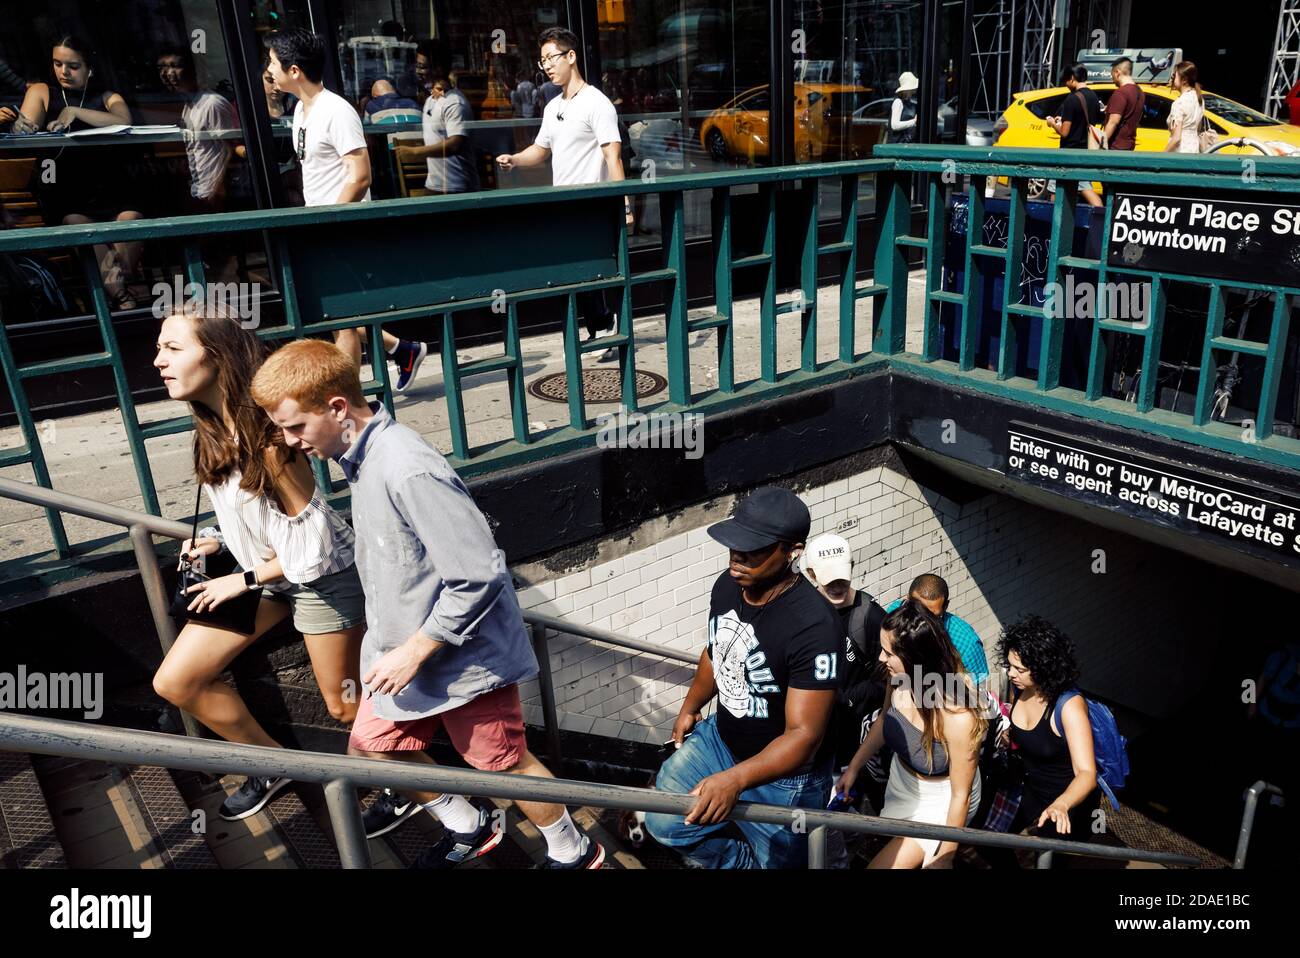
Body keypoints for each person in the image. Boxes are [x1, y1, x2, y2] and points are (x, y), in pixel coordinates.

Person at [250, 339, 606, 869]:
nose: (289, 441)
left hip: (464, 659)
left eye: (296, 426)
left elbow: (480, 573)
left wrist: (416, 649)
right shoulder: (360, 458)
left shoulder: (406, 467)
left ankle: (575, 851)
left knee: (502, 764)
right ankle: (470, 822)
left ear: (338, 408)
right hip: (402, 653)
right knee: (373, 745)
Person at [151, 305, 366, 821]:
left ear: (219, 355)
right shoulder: (212, 426)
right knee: (176, 683)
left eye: (173, 348)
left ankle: (410, 783)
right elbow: (256, 512)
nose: (158, 360)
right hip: (265, 575)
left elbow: (312, 542)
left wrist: (239, 580)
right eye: (159, 348)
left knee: (345, 705)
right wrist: (215, 541)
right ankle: (271, 765)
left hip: (321, 579)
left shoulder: (272, 436)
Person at [643, 487, 842, 869]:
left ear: (792, 551)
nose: (737, 557)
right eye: (735, 544)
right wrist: (691, 705)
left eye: (753, 549)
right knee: (664, 820)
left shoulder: (814, 627)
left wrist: (735, 780)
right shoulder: (728, 585)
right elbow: (716, 650)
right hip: (720, 740)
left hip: (785, 782)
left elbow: (803, 735)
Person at [266, 29, 429, 392]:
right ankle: (402, 350)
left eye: (274, 63)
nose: (269, 70)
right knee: (338, 315)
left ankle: (347, 399)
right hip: (321, 225)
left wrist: (329, 222)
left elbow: (360, 176)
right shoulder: (300, 110)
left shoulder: (336, 111)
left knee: (341, 318)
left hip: (340, 226)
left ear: (294, 71)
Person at [496, 28, 632, 357]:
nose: (547, 66)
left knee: (592, 272)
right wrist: (514, 159)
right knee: (571, 275)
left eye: (552, 58)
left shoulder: (596, 103)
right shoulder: (553, 105)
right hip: (564, 206)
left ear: (571, 57)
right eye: (542, 61)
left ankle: (607, 327)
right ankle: (601, 325)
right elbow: (541, 150)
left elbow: (612, 154)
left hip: (592, 206)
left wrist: (625, 205)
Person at [835, 599, 986, 868]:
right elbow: (884, 721)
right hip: (902, 783)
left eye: (888, 653)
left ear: (915, 657)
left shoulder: (959, 716)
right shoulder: (898, 677)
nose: (881, 659)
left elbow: (960, 795)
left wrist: (947, 854)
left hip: (943, 799)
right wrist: (854, 768)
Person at [12, 36, 143, 309]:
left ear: (89, 68)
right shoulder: (41, 90)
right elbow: (27, 126)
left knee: (131, 221)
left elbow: (124, 120)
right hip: (66, 192)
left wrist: (75, 111)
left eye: (73, 66)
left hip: (110, 189)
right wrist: (20, 126)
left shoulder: (107, 95)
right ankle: (123, 298)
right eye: (58, 64)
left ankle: (117, 295)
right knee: (84, 228)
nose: (63, 72)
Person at [802, 532, 886, 867]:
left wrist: (848, 699)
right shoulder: (801, 610)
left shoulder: (869, 616)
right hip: (812, 733)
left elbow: (892, 682)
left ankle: (850, 847)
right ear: (811, 575)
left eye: (842, 578)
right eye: (828, 580)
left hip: (851, 735)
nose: (837, 587)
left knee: (845, 800)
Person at [991, 615, 1099, 867]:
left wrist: (1061, 805)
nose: (1011, 673)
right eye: (1009, 666)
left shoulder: (1069, 706)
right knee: (991, 841)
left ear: (1043, 666)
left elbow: (1086, 773)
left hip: (1066, 802)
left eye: (1019, 669)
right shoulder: (1019, 688)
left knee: (1048, 860)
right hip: (1028, 790)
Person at [156, 46, 238, 214]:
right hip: (201, 191)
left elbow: (231, 150)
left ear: (193, 70)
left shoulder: (212, 103)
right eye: (162, 67)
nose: (167, 73)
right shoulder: (190, 105)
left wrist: (217, 189)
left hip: (215, 194)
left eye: (174, 66)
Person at [885, 573, 989, 684]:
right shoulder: (894, 614)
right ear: (907, 600)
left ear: (945, 606)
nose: (922, 622)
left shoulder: (967, 644)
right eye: (916, 611)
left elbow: (978, 693)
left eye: (932, 616)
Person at [395, 70, 479, 195]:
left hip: (457, 186)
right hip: (435, 183)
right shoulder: (430, 100)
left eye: (423, 67)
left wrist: (416, 151)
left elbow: (455, 143)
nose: (419, 71)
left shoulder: (455, 102)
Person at [1046, 63, 1103, 208]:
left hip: (1069, 153)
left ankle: (1052, 223)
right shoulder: (1093, 97)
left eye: (1065, 81)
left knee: (1056, 191)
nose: (1065, 84)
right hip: (1086, 150)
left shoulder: (1072, 99)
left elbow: (1065, 132)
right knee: (1083, 186)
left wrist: (1053, 123)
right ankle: (1099, 220)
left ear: (1072, 78)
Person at [1103, 57, 1145, 152]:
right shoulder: (1140, 92)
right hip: (1129, 146)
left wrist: (1100, 144)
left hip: (1115, 147)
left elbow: (1113, 122)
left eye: (1112, 74)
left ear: (1117, 72)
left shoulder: (1121, 92)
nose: (1112, 78)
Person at [1164, 60, 1204, 154]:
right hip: (1194, 150)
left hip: (1180, 153)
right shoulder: (1199, 99)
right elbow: (1198, 128)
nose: (1172, 79)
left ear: (1184, 80)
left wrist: (1161, 156)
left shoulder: (1179, 103)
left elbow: (1177, 138)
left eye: (1174, 76)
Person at [887, 71, 919, 144]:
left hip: (903, 143)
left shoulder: (906, 102)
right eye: (912, 89)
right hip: (897, 145)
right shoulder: (898, 102)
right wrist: (913, 121)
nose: (914, 91)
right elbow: (894, 125)